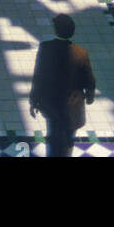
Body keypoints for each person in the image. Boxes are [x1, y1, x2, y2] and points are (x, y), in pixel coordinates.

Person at [30, 14, 96, 158]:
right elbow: (89, 80)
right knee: (68, 139)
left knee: (53, 137)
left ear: (56, 29)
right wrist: (89, 96)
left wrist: (33, 101)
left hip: (52, 104)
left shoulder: (46, 48)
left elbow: (39, 76)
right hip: (73, 106)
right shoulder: (81, 52)